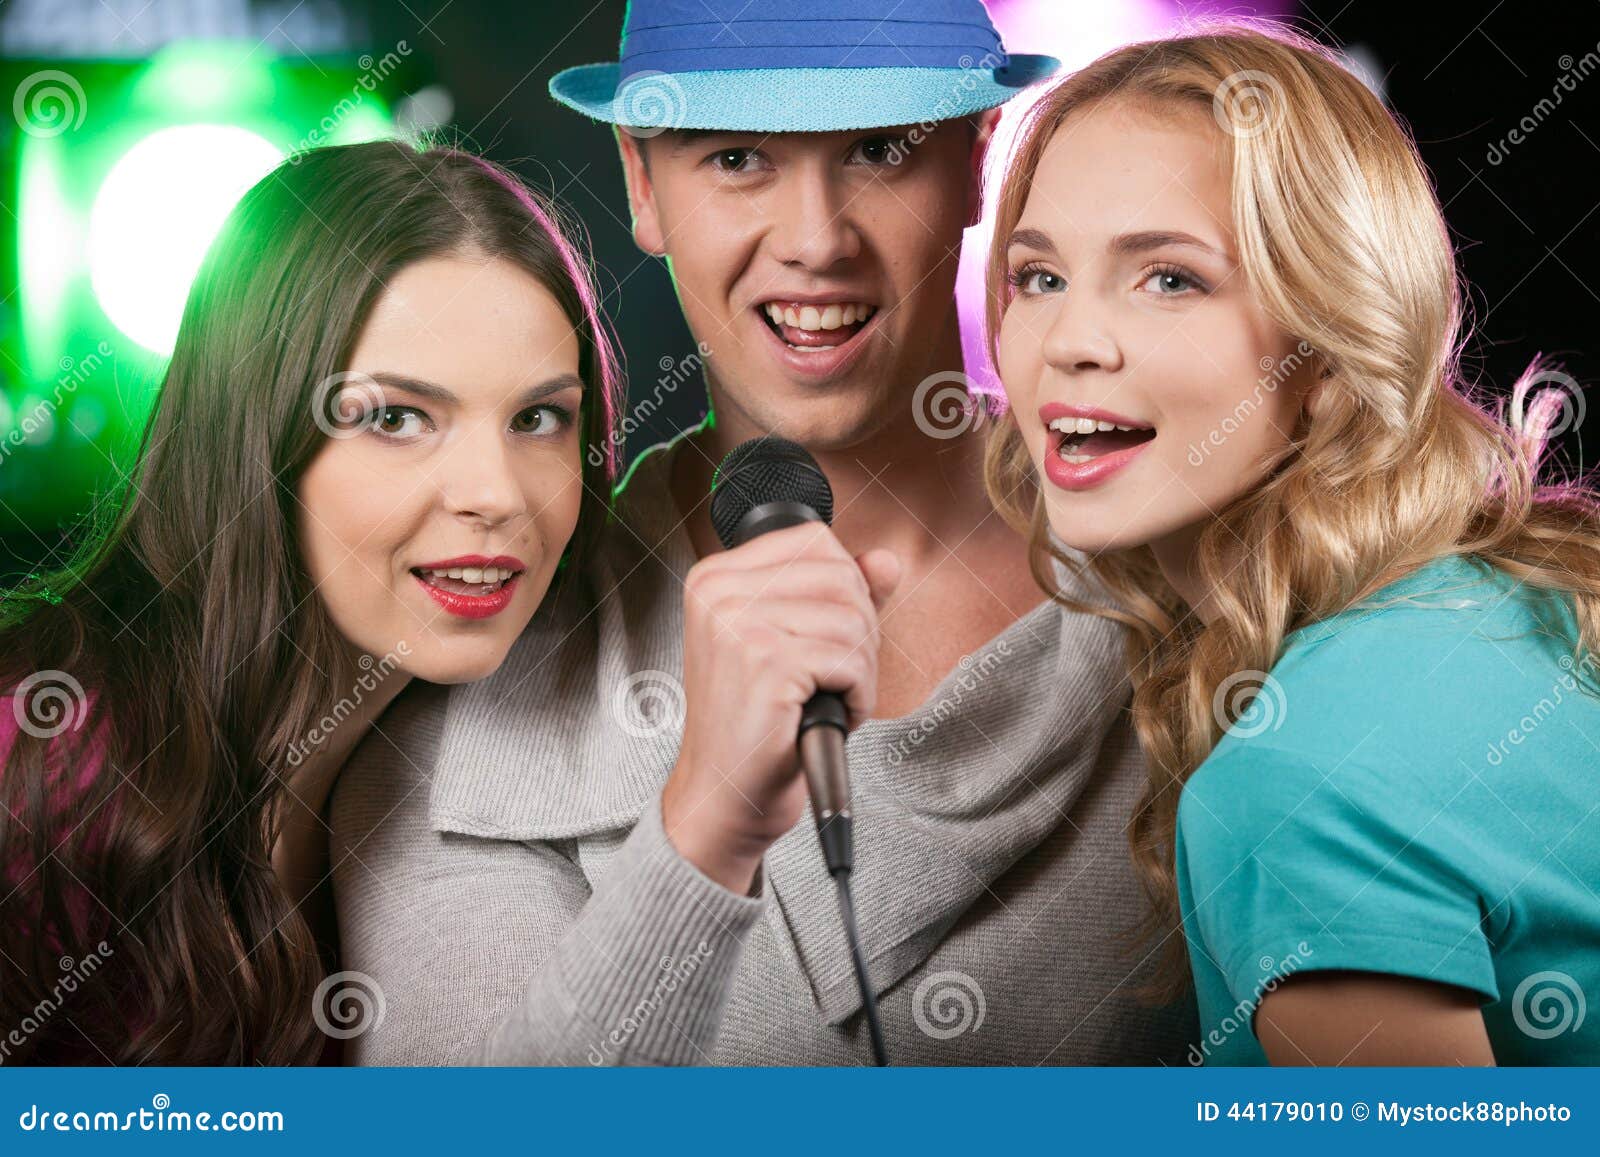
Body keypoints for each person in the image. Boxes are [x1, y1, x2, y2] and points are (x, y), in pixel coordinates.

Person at [332, 0, 1199, 1065]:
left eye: (880, 150)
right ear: (642, 184)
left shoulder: (1201, 578)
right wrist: (704, 824)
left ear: (978, 164)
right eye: (737, 156)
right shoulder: (492, 670)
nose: (814, 241)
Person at [986, 23, 1600, 1065]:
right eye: (1038, 276)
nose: (1068, 342)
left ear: (1323, 351)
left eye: (1169, 278)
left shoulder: (1293, 779)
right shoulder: (1508, 602)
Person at [0, 140, 621, 1064]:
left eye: (537, 418)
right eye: (397, 417)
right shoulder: (42, 748)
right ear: (260, 435)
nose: (496, 492)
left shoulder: (437, 759)